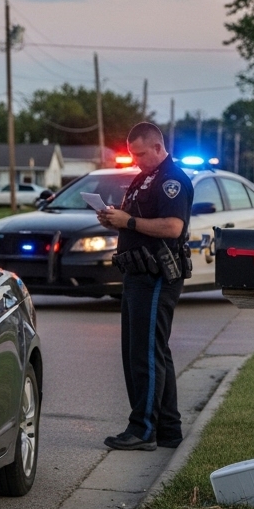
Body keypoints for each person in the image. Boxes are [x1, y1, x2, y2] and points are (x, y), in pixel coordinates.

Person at [94, 122, 193, 451]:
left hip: (156, 275)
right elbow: (135, 220)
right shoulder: (143, 178)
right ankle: (169, 429)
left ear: (157, 147)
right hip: (138, 274)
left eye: (139, 154)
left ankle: (143, 430)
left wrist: (129, 222)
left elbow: (173, 227)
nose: (135, 160)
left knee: (145, 354)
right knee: (153, 352)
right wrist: (115, 219)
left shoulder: (171, 180)